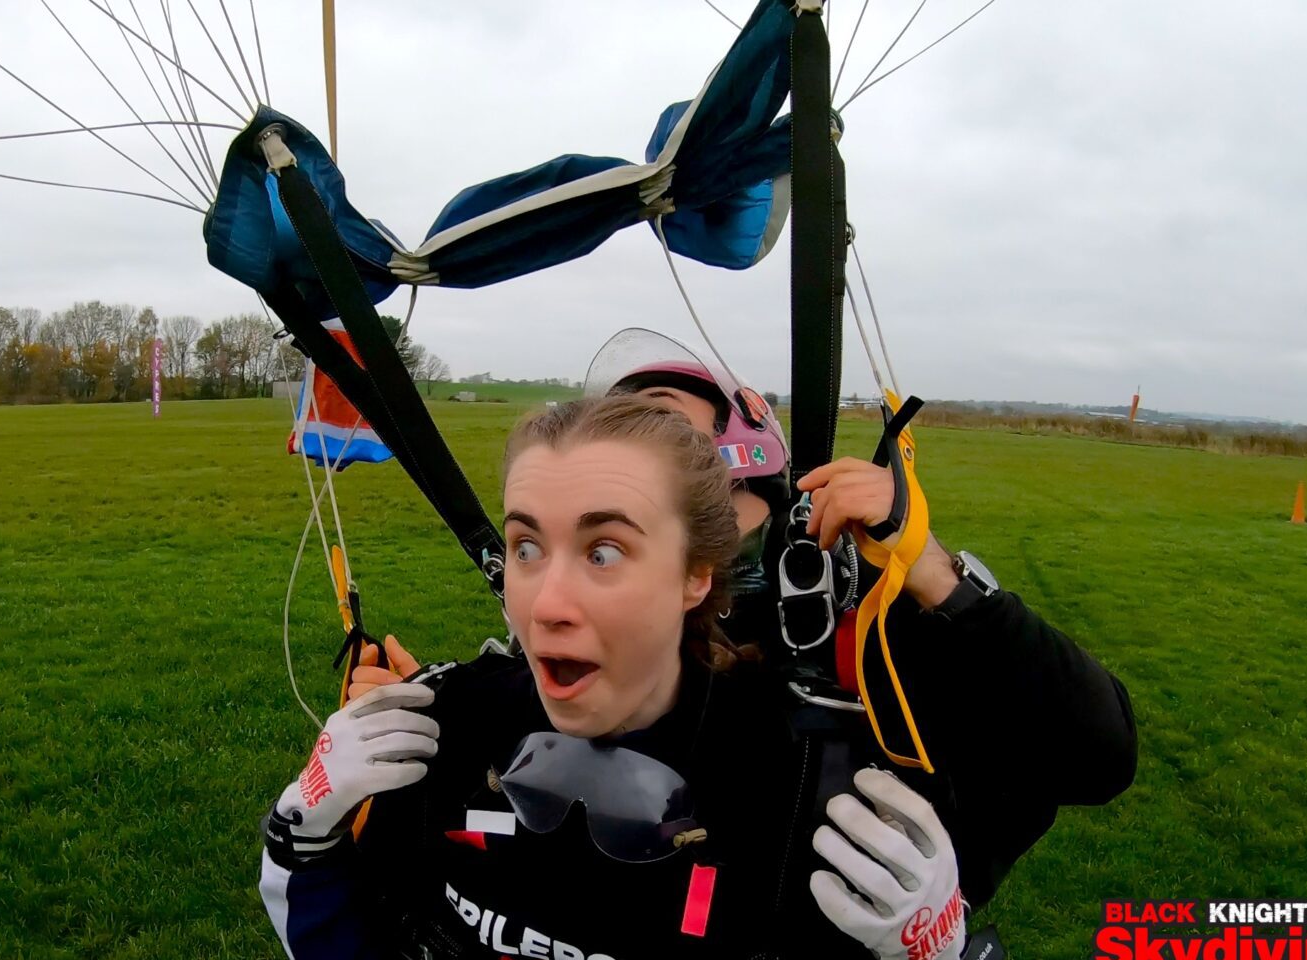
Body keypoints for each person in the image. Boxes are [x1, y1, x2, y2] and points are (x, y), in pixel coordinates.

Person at [261, 397, 1006, 960]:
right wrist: (304, 840)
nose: (546, 603)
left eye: (603, 552)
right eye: (526, 547)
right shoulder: (455, 728)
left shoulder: (806, 777)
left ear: (694, 576)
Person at [352, 330, 1136, 906]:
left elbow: (1096, 755)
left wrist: (928, 568)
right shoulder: (589, 625)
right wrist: (439, 714)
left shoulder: (852, 633)